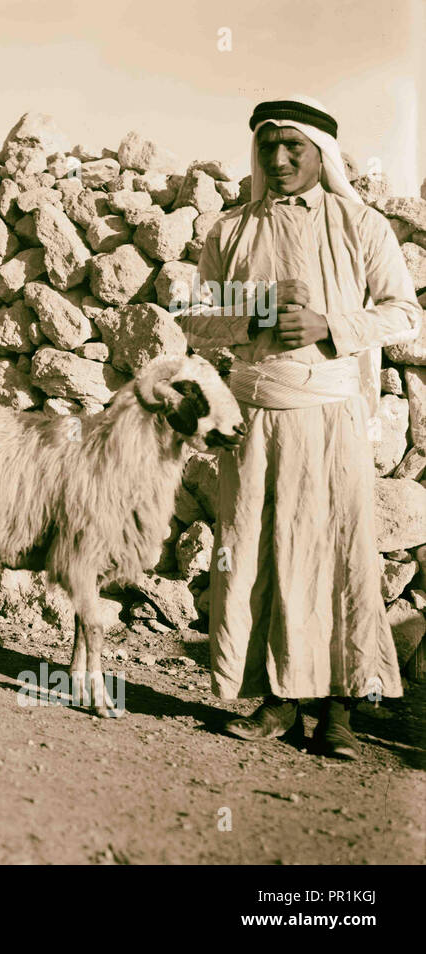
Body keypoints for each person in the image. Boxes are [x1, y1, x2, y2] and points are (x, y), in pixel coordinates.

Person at [182, 95, 422, 760]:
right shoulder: (229, 231)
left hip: (332, 416)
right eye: (269, 147)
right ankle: (278, 701)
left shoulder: (361, 225)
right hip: (253, 416)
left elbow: (405, 314)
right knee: (257, 552)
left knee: (338, 552)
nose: (280, 159)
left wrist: (331, 327)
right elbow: (197, 320)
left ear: (324, 154)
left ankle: (339, 711)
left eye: (295, 147)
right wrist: (254, 320)